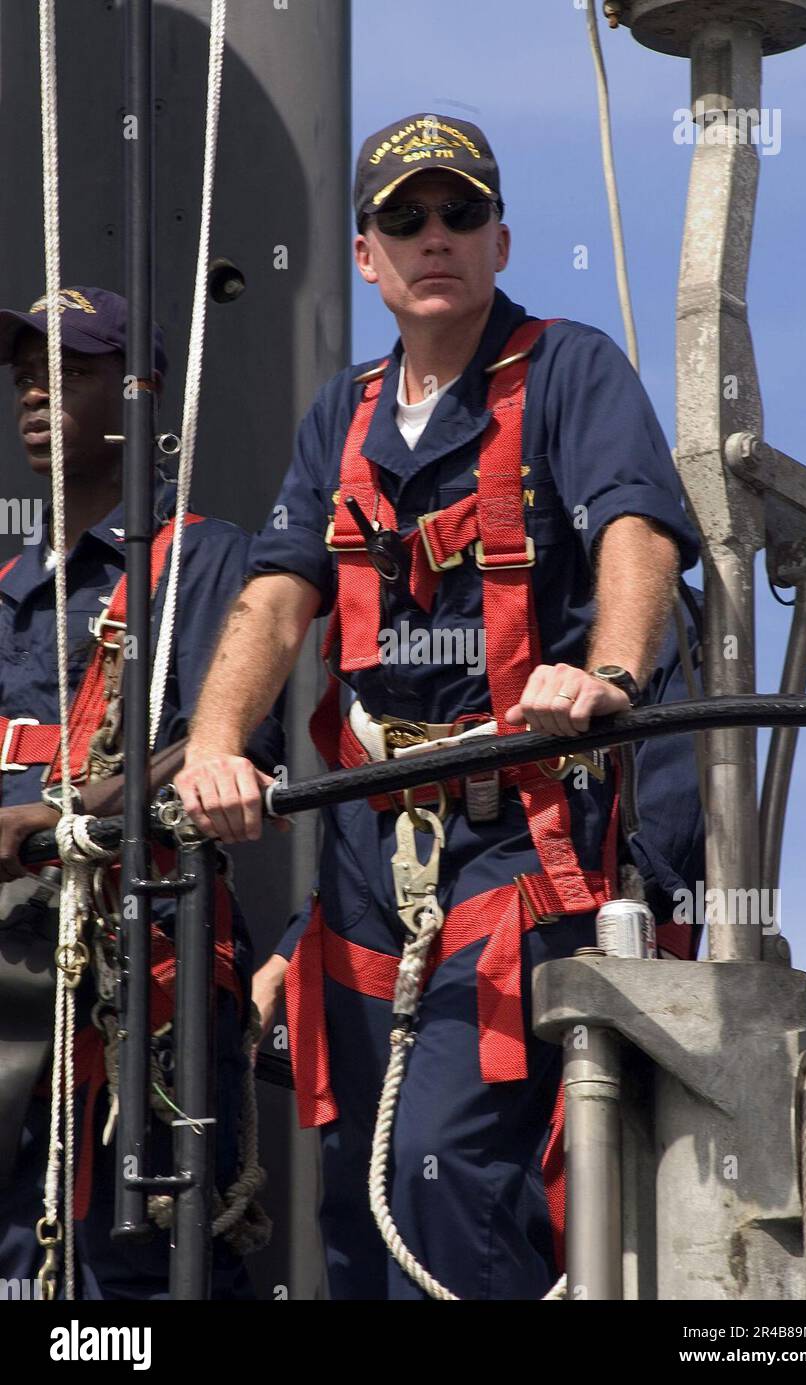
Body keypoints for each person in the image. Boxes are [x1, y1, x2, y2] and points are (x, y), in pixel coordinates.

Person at [176, 113, 705, 1300]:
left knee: (440, 1166)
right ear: (366, 254)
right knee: (350, 1191)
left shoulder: (569, 371)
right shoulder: (343, 415)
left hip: (521, 830)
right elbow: (277, 595)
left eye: (461, 214)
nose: (436, 237)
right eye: (405, 218)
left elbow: (637, 530)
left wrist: (611, 677)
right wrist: (212, 745)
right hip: (367, 846)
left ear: (500, 241)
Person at [0, 286, 285, 1299]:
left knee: (144, 1261)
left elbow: (221, 743)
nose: (36, 396)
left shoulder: (203, 559)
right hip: (14, 967)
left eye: (69, 374)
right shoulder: (9, 587)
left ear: (139, 394)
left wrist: (64, 817)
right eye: (26, 379)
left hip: (139, 968)